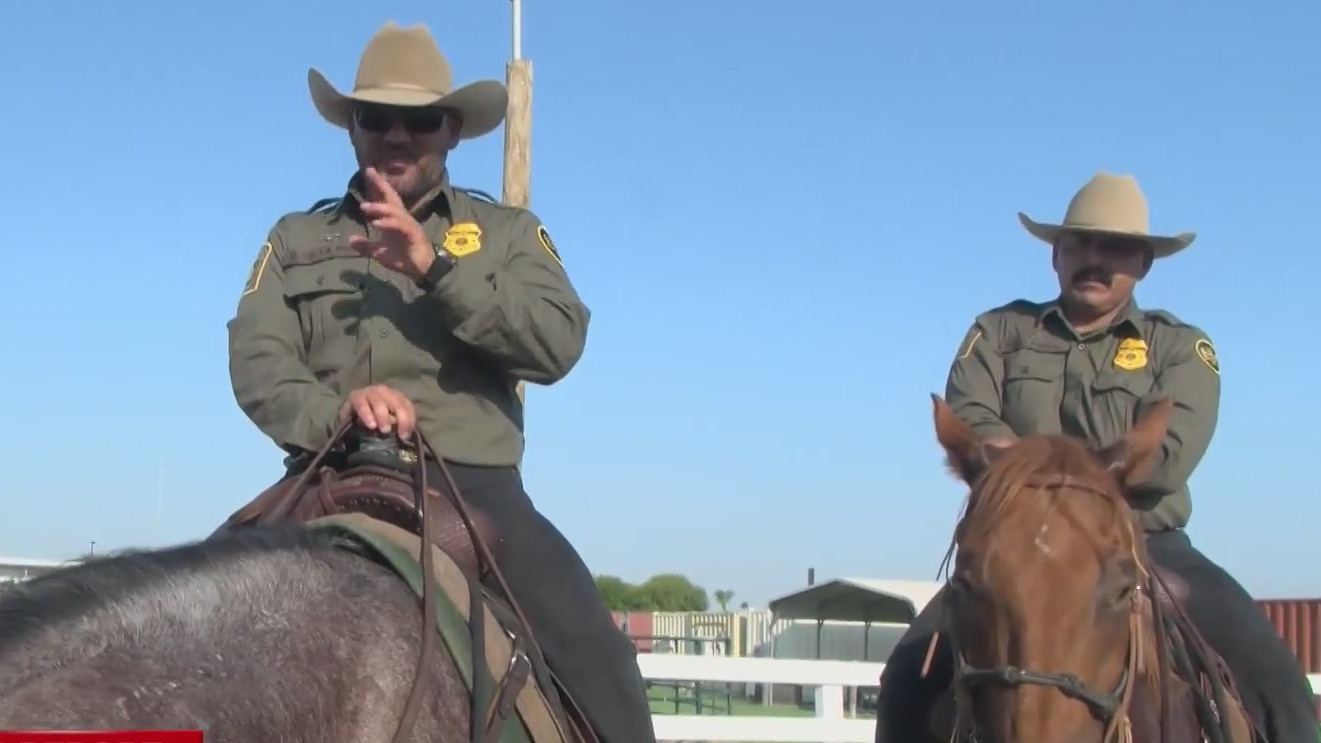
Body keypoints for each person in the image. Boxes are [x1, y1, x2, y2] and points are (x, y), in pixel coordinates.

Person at [225, 21, 657, 743]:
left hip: (473, 488)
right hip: (321, 467)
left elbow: (557, 343)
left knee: (602, 662)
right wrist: (336, 410)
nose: (397, 135)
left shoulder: (507, 234)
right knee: (169, 625)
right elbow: (256, 361)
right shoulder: (293, 239)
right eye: (376, 117)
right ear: (352, 129)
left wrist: (434, 269)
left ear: (451, 128)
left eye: (419, 119)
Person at [875, 172, 1318, 743]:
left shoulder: (1179, 347)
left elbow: (1171, 449)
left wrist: (1034, 465)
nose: (1095, 260)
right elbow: (972, 420)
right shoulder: (998, 333)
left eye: (1115, 248)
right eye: (1080, 245)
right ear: (1056, 255)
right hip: (1015, 550)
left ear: (1144, 264)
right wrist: (1074, 469)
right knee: (908, 675)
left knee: (1279, 687)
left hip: (1141, 543)